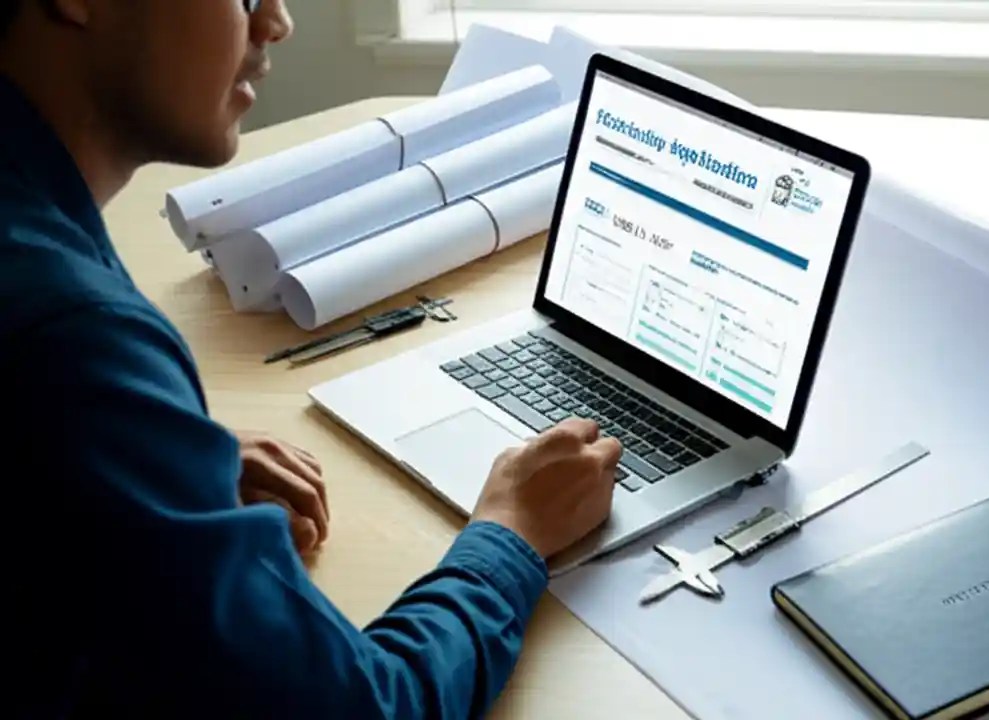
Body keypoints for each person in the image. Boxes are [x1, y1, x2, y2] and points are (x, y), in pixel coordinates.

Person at [0, 0, 621, 717]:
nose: (276, 22)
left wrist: (154, 459)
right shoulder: (70, 341)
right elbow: (359, 707)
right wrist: (510, 536)